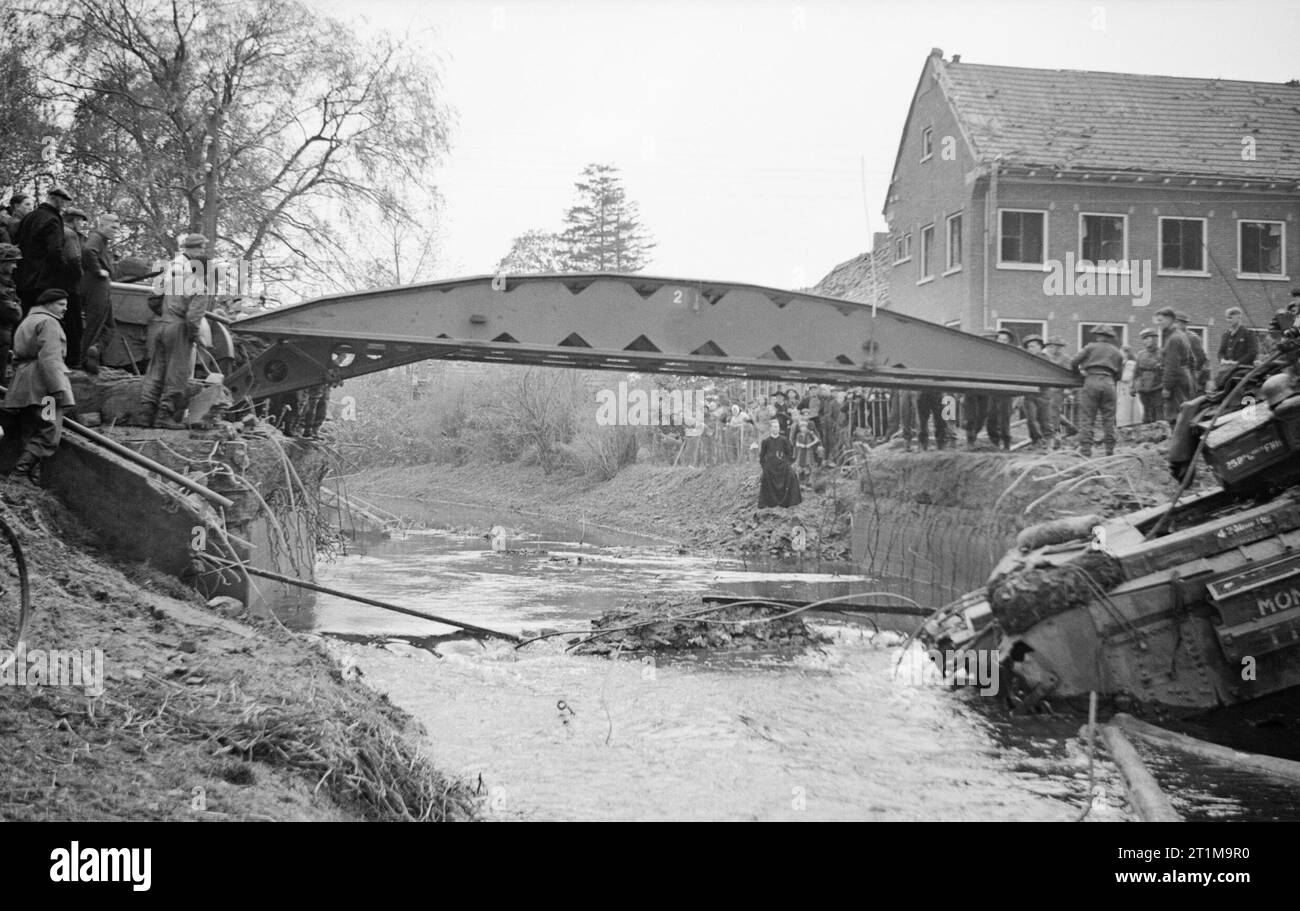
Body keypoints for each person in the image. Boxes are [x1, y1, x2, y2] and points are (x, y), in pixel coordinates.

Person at [2, 289, 75, 485]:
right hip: (45, 389)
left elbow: (17, 359)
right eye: (61, 304)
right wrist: (58, 389)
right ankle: (20, 474)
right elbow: (50, 358)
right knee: (49, 432)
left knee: (30, 430)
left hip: (24, 385)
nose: (65, 309)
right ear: (48, 304)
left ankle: (30, 478)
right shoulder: (49, 323)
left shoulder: (27, 321)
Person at [140, 260, 207, 429]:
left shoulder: (172, 281)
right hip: (179, 328)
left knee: (156, 370)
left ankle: (145, 414)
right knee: (176, 373)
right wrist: (195, 336)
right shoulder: (200, 287)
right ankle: (164, 415)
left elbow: (153, 300)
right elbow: (193, 318)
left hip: (161, 325)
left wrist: (165, 315)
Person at [14, 188, 74, 314]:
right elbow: (55, 251)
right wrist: (65, 272)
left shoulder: (30, 216)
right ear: (55, 199)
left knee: (24, 319)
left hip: (23, 278)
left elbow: (18, 243)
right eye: (64, 201)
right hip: (43, 282)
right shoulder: (53, 219)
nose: (65, 205)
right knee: (41, 318)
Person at [1069, 325, 1125, 457]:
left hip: (1091, 380)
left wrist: (1080, 374)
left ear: (1097, 335)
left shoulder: (1090, 347)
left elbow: (1073, 362)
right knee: (1109, 419)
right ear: (1110, 337)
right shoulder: (1117, 352)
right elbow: (1120, 375)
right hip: (1109, 382)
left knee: (1088, 417)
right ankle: (1109, 450)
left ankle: (1086, 450)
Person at [80, 213, 121, 371]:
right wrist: (98, 271)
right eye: (112, 227)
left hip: (101, 286)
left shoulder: (102, 240)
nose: (115, 231)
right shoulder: (96, 237)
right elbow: (88, 251)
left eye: (117, 229)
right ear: (102, 225)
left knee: (109, 325)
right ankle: (85, 360)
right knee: (96, 323)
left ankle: (95, 350)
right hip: (96, 285)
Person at [59, 208, 88, 366]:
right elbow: (74, 259)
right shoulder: (70, 235)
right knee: (74, 324)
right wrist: (80, 276)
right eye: (81, 221)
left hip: (57, 283)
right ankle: (73, 360)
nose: (82, 225)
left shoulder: (58, 230)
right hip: (70, 286)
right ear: (75, 220)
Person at [1155, 306, 1194, 421]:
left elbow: (1171, 366)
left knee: (1174, 415)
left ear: (1170, 319)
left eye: (1161, 320)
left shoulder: (1173, 339)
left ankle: (1176, 438)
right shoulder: (1181, 335)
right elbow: (1192, 360)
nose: (1159, 324)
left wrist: (1167, 387)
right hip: (1184, 378)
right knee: (1184, 411)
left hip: (1176, 383)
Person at [985, 327, 1017, 449]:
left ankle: (1006, 443)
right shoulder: (992, 354)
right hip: (993, 389)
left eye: (1005, 340)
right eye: (1000, 339)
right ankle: (994, 442)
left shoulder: (1012, 355)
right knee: (991, 416)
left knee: (1004, 418)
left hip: (1006, 390)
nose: (1002, 341)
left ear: (1009, 341)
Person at [758, 419, 801, 508]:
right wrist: (765, 467)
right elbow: (762, 457)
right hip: (771, 466)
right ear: (770, 428)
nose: (776, 429)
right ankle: (770, 502)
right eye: (774, 427)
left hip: (782, 465)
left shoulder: (784, 440)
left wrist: (786, 463)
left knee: (792, 475)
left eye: (777, 427)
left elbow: (789, 454)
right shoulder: (765, 441)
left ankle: (790, 501)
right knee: (765, 477)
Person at [1216, 306, 1259, 392]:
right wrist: (1222, 360)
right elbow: (1220, 352)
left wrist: (1237, 363)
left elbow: (1252, 353)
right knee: (1218, 383)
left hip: (1242, 369)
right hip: (1226, 369)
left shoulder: (1248, 333)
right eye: (1227, 318)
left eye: (1231, 318)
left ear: (1239, 318)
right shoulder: (1226, 335)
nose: (1228, 320)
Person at [1020, 335, 1049, 447]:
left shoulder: (1046, 359)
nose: (1030, 349)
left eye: (1033, 346)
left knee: (1044, 419)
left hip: (1043, 392)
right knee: (1031, 419)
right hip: (1029, 393)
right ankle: (1036, 440)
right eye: (1028, 347)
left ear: (1040, 347)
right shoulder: (1026, 360)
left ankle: (1046, 441)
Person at [1042, 336, 1071, 448]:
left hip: (1057, 389)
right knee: (1044, 414)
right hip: (1045, 388)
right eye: (1050, 346)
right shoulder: (1044, 357)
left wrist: (1068, 389)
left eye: (1055, 347)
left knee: (1053, 414)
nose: (1052, 349)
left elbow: (1069, 374)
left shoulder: (1065, 359)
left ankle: (1053, 438)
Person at [0, 244, 23, 381]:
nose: (15, 266)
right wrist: (16, 306)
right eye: (12, 262)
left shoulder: (7, 283)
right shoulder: (3, 287)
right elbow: (14, 313)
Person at [1132, 327, 1163, 423]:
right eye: (1144, 339)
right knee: (1146, 411)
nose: (1145, 341)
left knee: (1158, 411)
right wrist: (1133, 387)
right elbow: (1136, 371)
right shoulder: (1141, 354)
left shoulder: (1162, 353)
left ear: (1155, 339)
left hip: (1158, 387)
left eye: (1148, 338)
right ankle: (1147, 434)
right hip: (1144, 388)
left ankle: (1161, 435)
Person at [1175, 311, 1208, 393]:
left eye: (1176, 323)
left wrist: (1195, 371)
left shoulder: (1192, 337)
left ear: (1183, 324)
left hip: (1189, 373)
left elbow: (1201, 357)